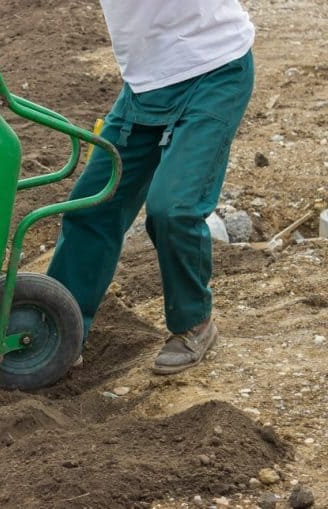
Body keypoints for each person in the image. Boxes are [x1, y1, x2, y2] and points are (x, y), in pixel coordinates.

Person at [47, 0, 255, 374]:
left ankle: (194, 323)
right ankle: (59, 330)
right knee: (93, 206)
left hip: (214, 70)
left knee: (173, 208)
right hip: (145, 86)